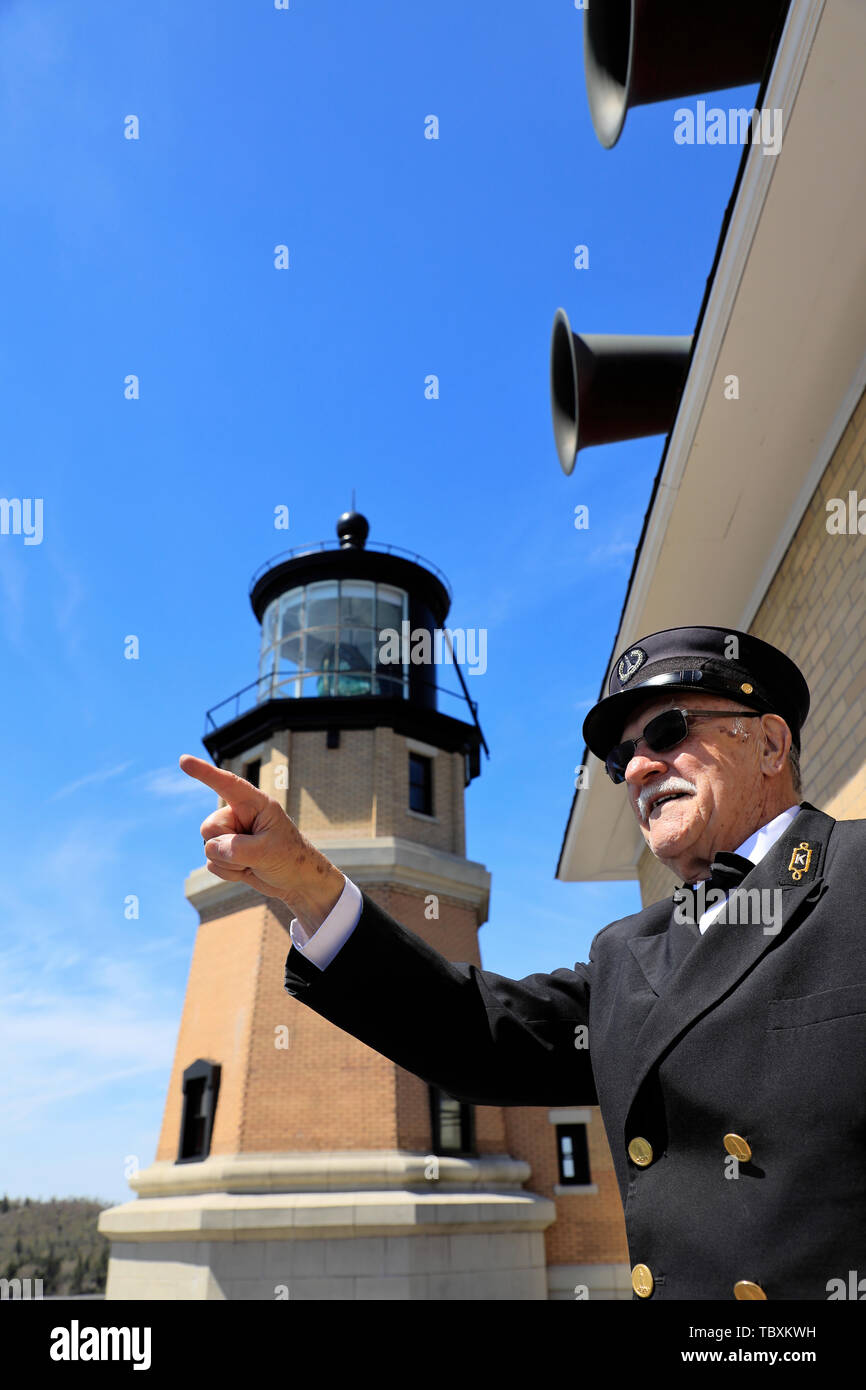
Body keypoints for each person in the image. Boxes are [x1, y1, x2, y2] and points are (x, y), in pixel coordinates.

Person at [180, 626, 866, 1301]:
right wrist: (306, 880)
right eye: (619, 757)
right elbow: (473, 1034)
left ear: (771, 743)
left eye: (668, 733)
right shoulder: (627, 951)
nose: (637, 768)